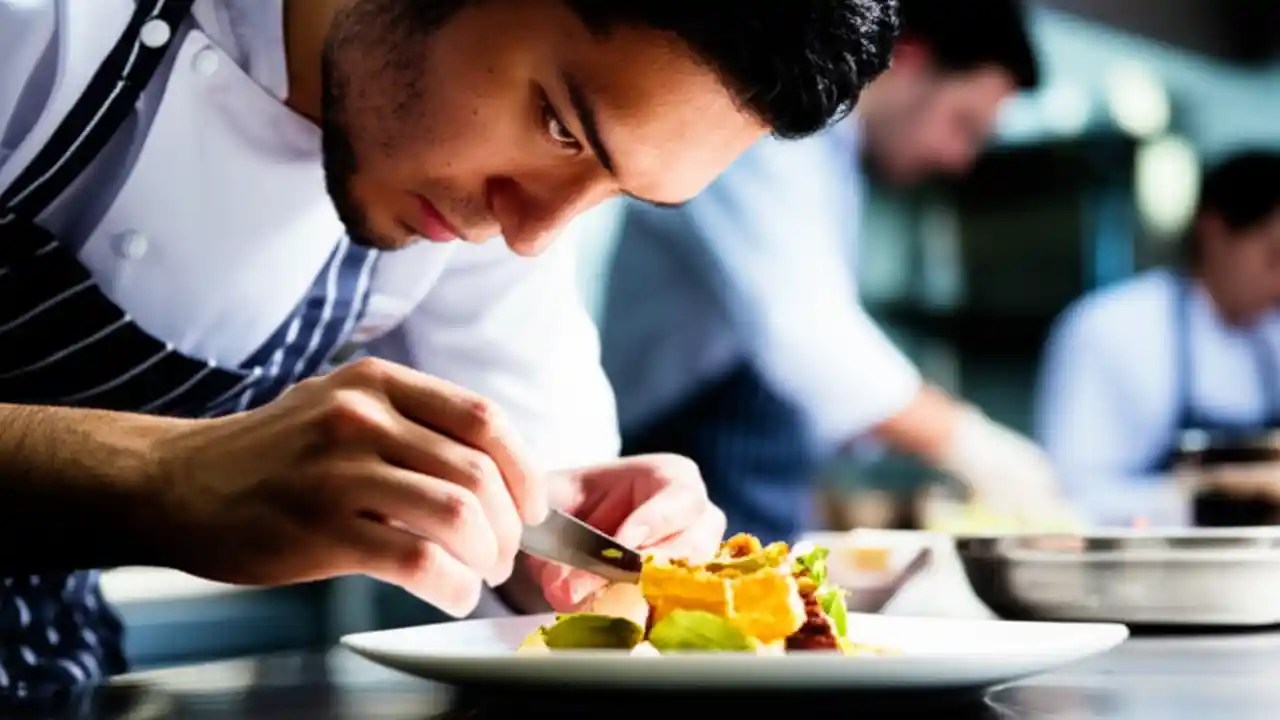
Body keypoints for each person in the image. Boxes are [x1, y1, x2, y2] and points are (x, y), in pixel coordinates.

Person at [0, 0, 901, 691]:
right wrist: (157, 480)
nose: (532, 232)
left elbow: (540, 489)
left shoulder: (475, 196)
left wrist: (561, 530)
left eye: (610, 189)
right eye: (558, 125)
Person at [600, 0, 1062, 543]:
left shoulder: (837, 157)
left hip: (738, 442)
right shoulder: (766, 123)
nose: (958, 159)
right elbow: (804, 332)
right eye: (963, 123)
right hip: (680, 440)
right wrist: (967, 439)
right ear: (908, 58)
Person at [1036, 151, 1280, 527]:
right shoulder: (1112, 329)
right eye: (1275, 257)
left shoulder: (1272, 337)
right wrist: (1214, 496)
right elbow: (1069, 498)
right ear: (1215, 232)